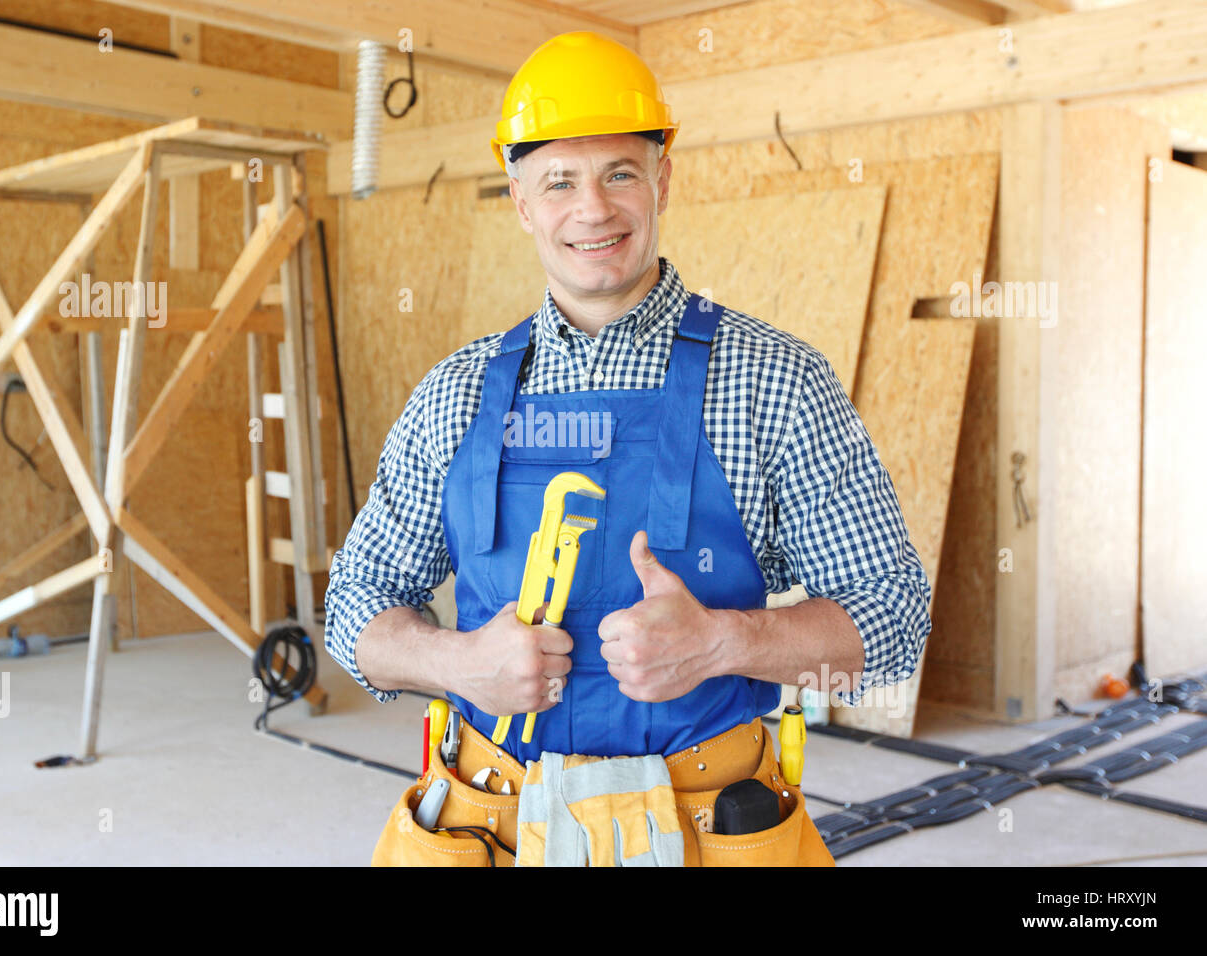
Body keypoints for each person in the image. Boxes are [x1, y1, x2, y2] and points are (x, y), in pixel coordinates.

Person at [325, 31, 931, 866]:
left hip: (711, 822)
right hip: (490, 822)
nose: (592, 210)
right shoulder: (455, 394)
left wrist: (726, 643)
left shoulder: (775, 381)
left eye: (619, 173)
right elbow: (355, 603)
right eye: (559, 181)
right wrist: (458, 661)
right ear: (521, 199)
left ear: (662, 180)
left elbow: (893, 616)